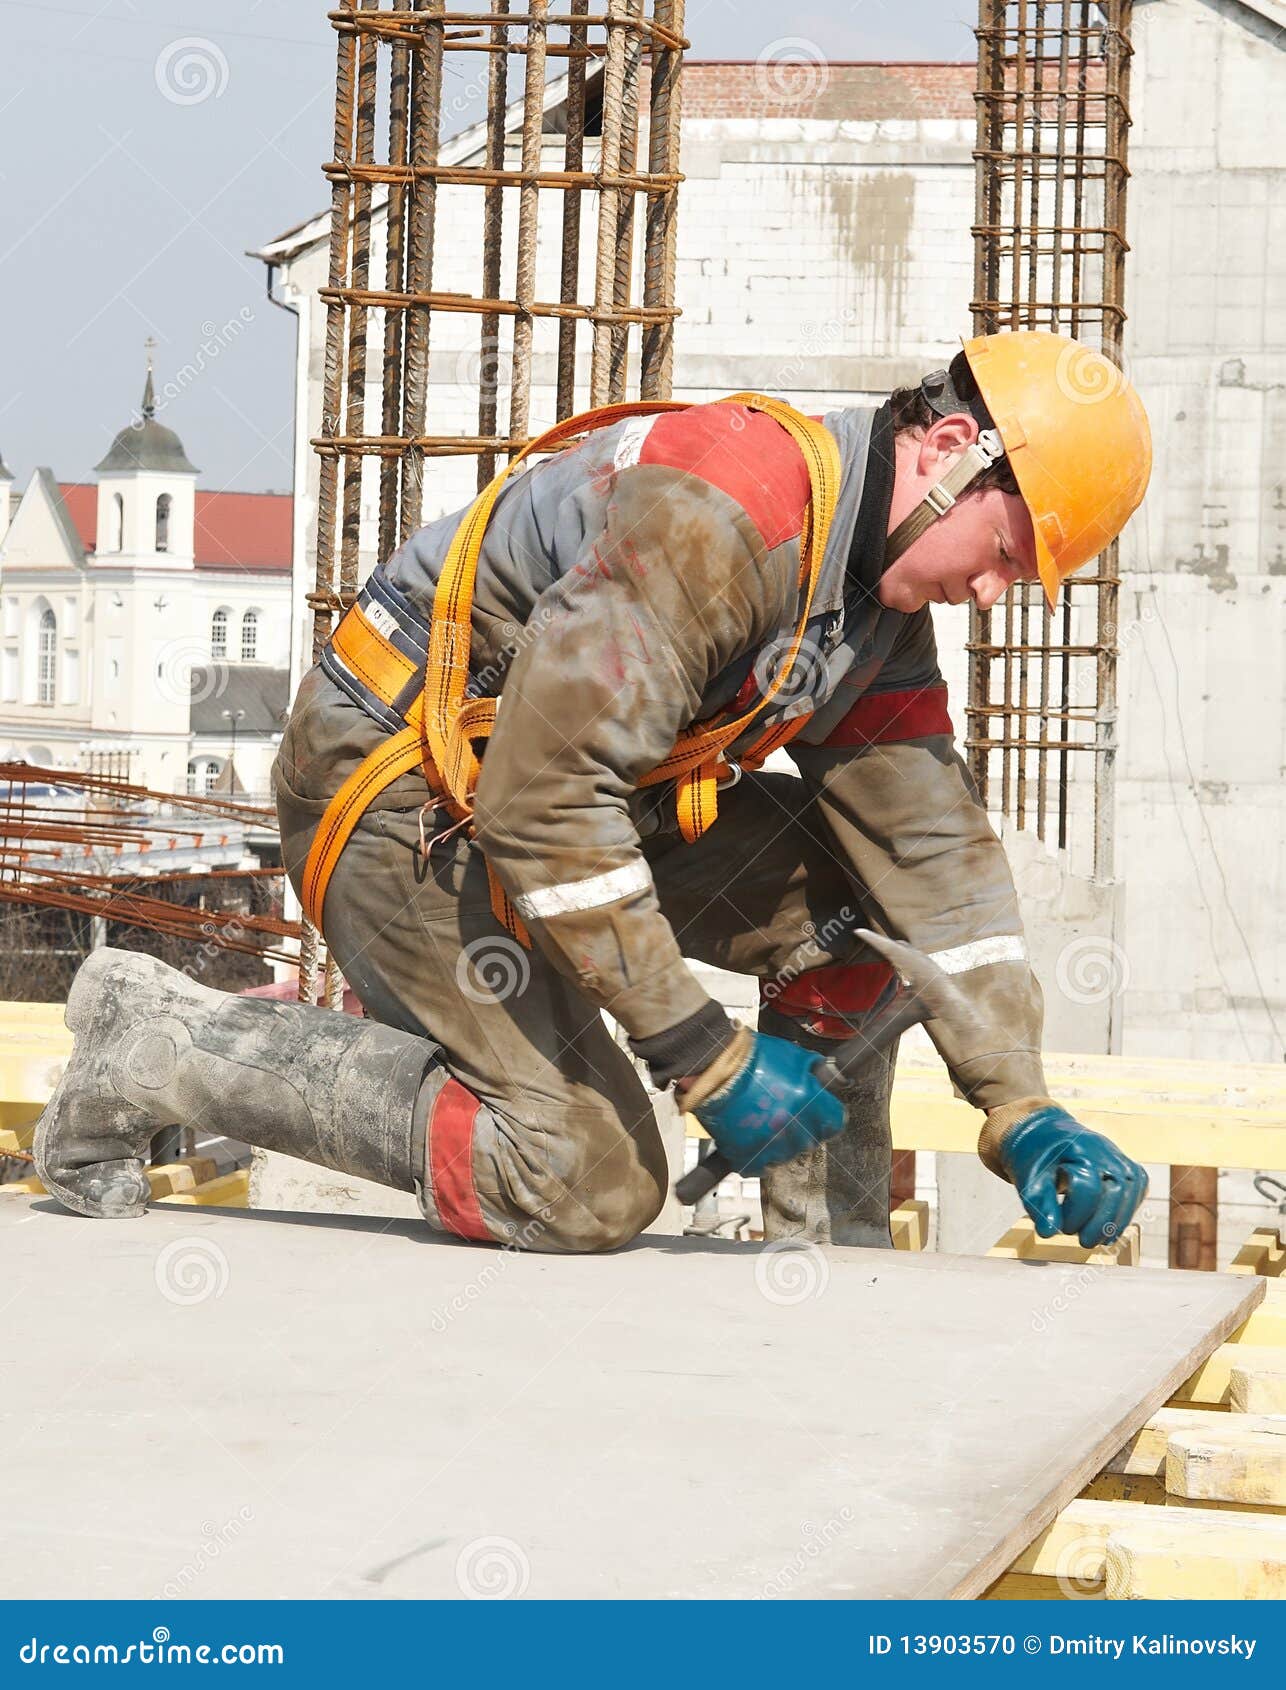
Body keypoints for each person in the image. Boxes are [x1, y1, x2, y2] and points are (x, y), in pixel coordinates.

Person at [36, 332, 1152, 1256]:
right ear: (950, 450)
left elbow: (933, 864)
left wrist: (1020, 1106)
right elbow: (547, 799)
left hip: (546, 801)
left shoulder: (870, 611)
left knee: (852, 910)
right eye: (1005, 551)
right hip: (395, 790)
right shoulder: (724, 517)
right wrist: (705, 1056)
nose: (994, 593)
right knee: (581, 1181)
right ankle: (161, 1043)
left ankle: (821, 1269)